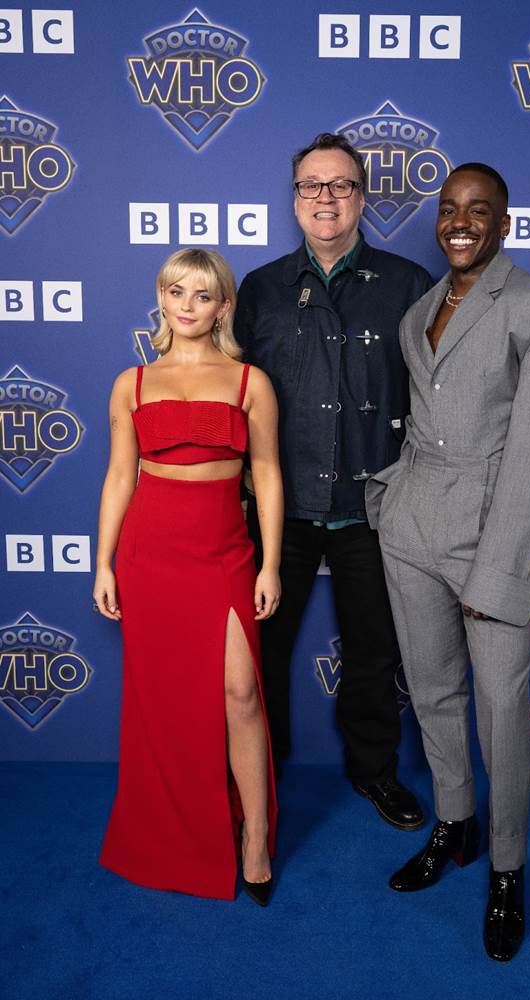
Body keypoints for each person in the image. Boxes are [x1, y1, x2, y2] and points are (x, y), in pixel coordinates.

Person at [366, 163, 530, 960]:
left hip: (491, 530)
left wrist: (501, 568)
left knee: (500, 706)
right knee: (431, 689)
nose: (461, 222)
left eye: (478, 210)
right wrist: (392, 508)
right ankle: (455, 827)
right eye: (450, 209)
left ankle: (507, 867)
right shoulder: (422, 306)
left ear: (505, 222)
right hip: (413, 521)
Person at [234, 133, 432, 830]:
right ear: (293, 200)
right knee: (261, 656)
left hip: (374, 507)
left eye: (340, 185)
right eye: (312, 185)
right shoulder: (258, 289)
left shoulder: (410, 285)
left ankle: (374, 774)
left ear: (362, 197)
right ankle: (258, 779)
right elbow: (232, 407)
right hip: (276, 511)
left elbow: (437, 398)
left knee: (375, 652)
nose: (326, 197)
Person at [94, 248, 282, 905]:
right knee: (163, 701)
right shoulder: (132, 383)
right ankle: (176, 835)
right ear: (162, 298)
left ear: (222, 306)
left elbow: (266, 475)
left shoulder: (248, 381)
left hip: (224, 551)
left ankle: (255, 837)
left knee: (241, 693)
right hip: (151, 553)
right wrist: (104, 562)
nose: (188, 305)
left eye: (203, 296)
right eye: (177, 291)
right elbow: (121, 476)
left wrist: (271, 563)